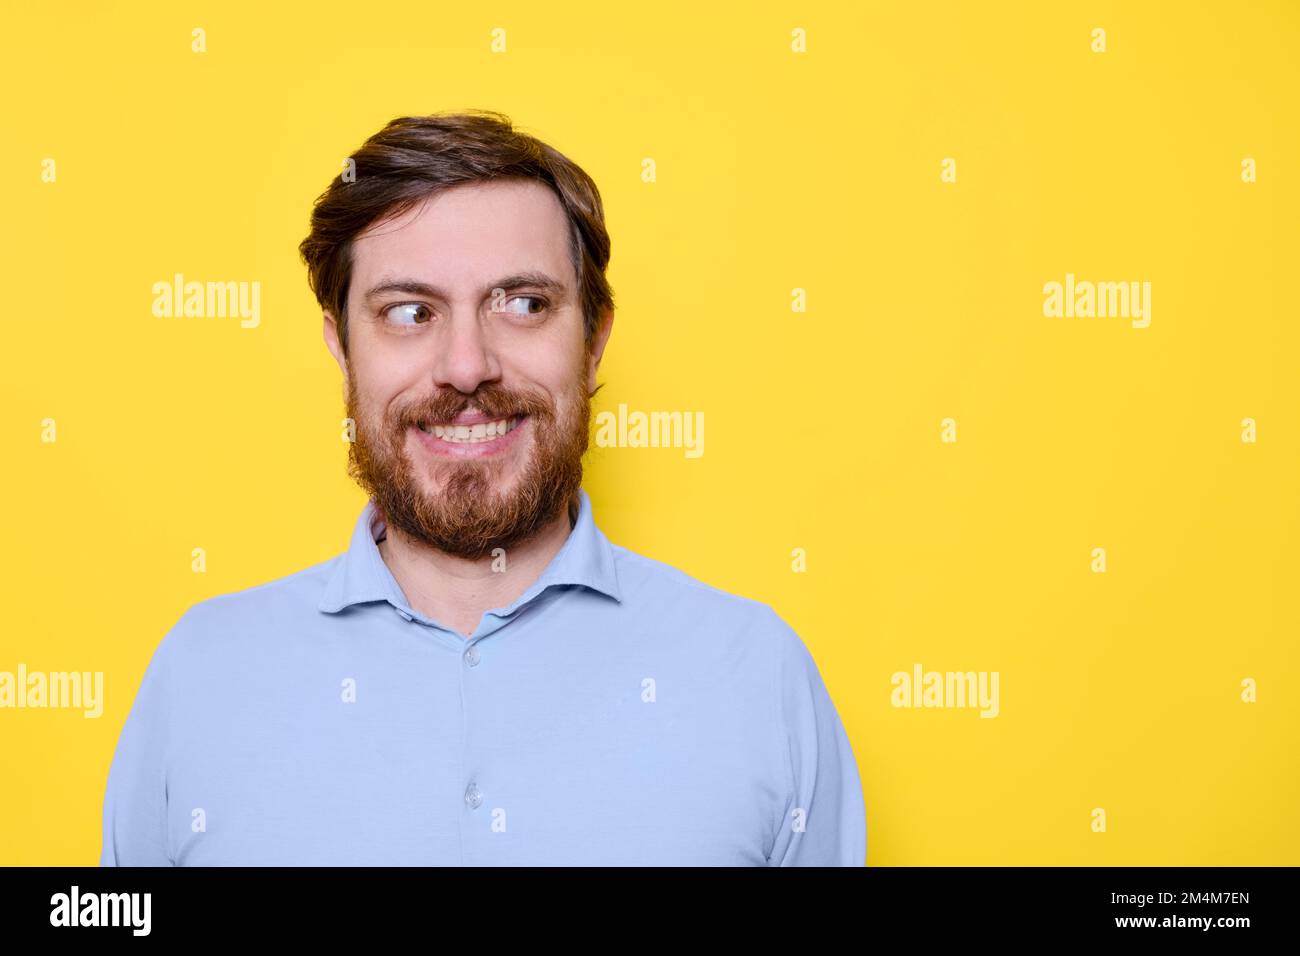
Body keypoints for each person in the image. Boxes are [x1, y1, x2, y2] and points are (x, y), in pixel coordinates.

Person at [99, 110, 866, 866]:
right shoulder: (201, 679)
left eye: (524, 304)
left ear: (594, 340)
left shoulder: (758, 677)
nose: (467, 366)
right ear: (342, 351)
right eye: (409, 312)